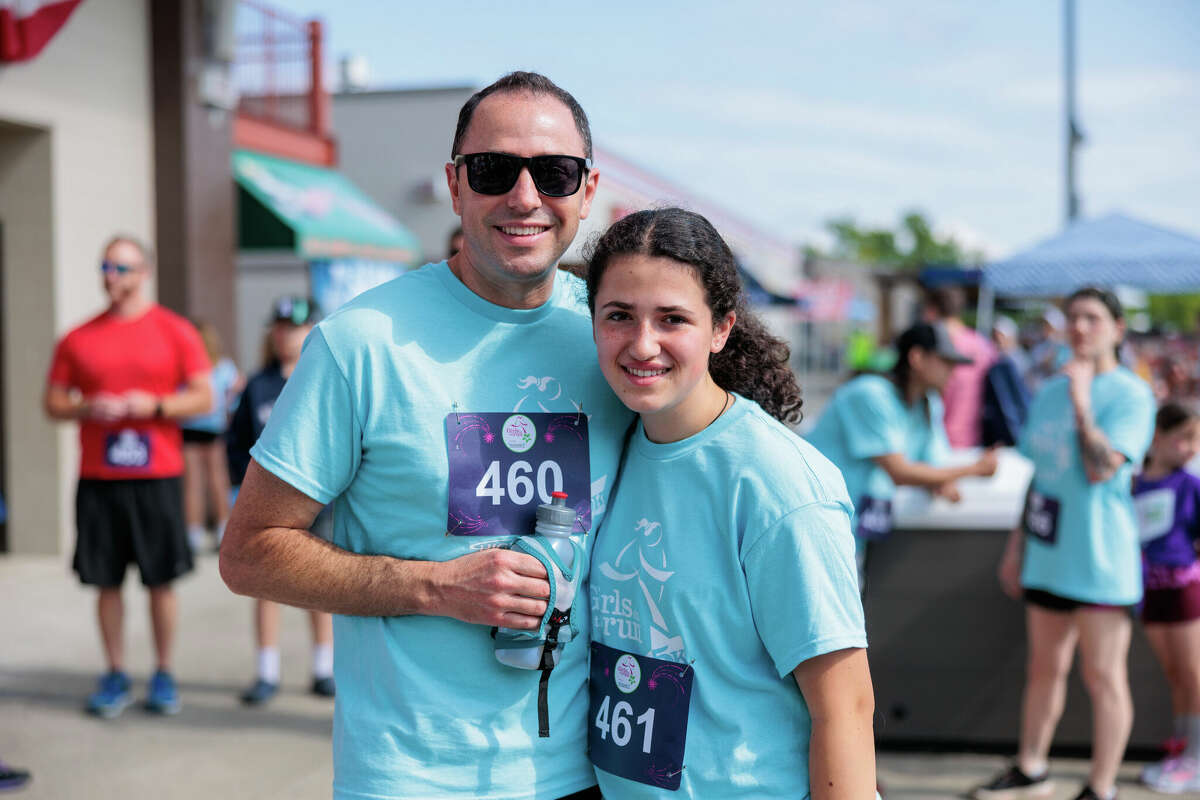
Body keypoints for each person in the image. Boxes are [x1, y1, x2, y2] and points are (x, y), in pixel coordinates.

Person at [219, 72, 631, 799]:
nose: (525, 197)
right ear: (454, 183)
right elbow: (249, 554)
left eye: (556, 173)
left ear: (588, 190)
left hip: (583, 772)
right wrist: (436, 587)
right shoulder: (359, 345)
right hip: (411, 778)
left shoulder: (616, 338)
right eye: (494, 170)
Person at [584, 208, 875, 798]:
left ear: (721, 329)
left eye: (673, 319)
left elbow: (846, 707)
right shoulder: (611, 445)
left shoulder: (780, 485)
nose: (643, 344)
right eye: (619, 316)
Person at [980, 287, 1155, 800]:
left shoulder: (1130, 394)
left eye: (1093, 318)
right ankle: (1031, 768)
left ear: (1117, 329)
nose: (1080, 327)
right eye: (1074, 317)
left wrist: (1083, 400)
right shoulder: (1050, 392)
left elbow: (1104, 469)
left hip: (1102, 559)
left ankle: (1101, 786)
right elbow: (1043, 476)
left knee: (1103, 675)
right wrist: (1018, 546)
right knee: (1044, 669)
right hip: (1048, 553)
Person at [43, 235, 212, 718]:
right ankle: (115, 672)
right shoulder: (78, 338)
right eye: (105, 266)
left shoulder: (175, 331)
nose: (110, 276)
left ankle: (163, 672)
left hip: (156, 475)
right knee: (106, 581)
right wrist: (85, 406)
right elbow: (52, 402)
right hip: (99, 477)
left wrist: (153, 405)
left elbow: (204, 397)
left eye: (120, 267)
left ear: (144, 272)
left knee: (161, 580)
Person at [807, 322, 999, 587]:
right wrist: (974, 470)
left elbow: (933, 463)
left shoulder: (928, 403)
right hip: (814, 528)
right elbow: (900, 472)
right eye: (945, 361)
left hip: (851, 535)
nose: (953, 371)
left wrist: (939, 481)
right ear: (917, 358)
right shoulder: (869, 394)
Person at [225, 297, 336, 705]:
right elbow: (236, 443)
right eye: (279, 327)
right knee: (265, 587)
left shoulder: (324, 378)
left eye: (294, 327)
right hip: (268, 504)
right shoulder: (258, 384)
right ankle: (266, 670)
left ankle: (323, 667)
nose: (285, 334)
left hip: (320, 503)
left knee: (320, 583)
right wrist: (244, 487)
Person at [1134, 402, 1200, 794]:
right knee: (1175, 674)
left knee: (1194, 674)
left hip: (1183, 589)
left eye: (1196, 441)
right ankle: (1182, 748)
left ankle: (1196, 753)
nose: (1191, 448)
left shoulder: (1190, 484)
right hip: (1149, 591)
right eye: (1186, 438)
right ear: (1158, 436)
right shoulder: (1133, 482)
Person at [180, 319, 241, 552]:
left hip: (200, 426)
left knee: (203, 481)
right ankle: (213, 528)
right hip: (207, 425)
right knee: (212, 480)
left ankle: (200, 530)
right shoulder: (222, 367)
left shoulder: (214, 367)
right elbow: (234, 395)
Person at [922, 286, 996, 448]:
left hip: (935, 444)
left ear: (931, 311)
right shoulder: (983, 345)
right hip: (973, 442)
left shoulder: (930, 348)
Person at [982, 315, 1032, 448]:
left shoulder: (1010, 363)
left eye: (1000, 337)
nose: (996, 341)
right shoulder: (1002, 361)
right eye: (994, 336)